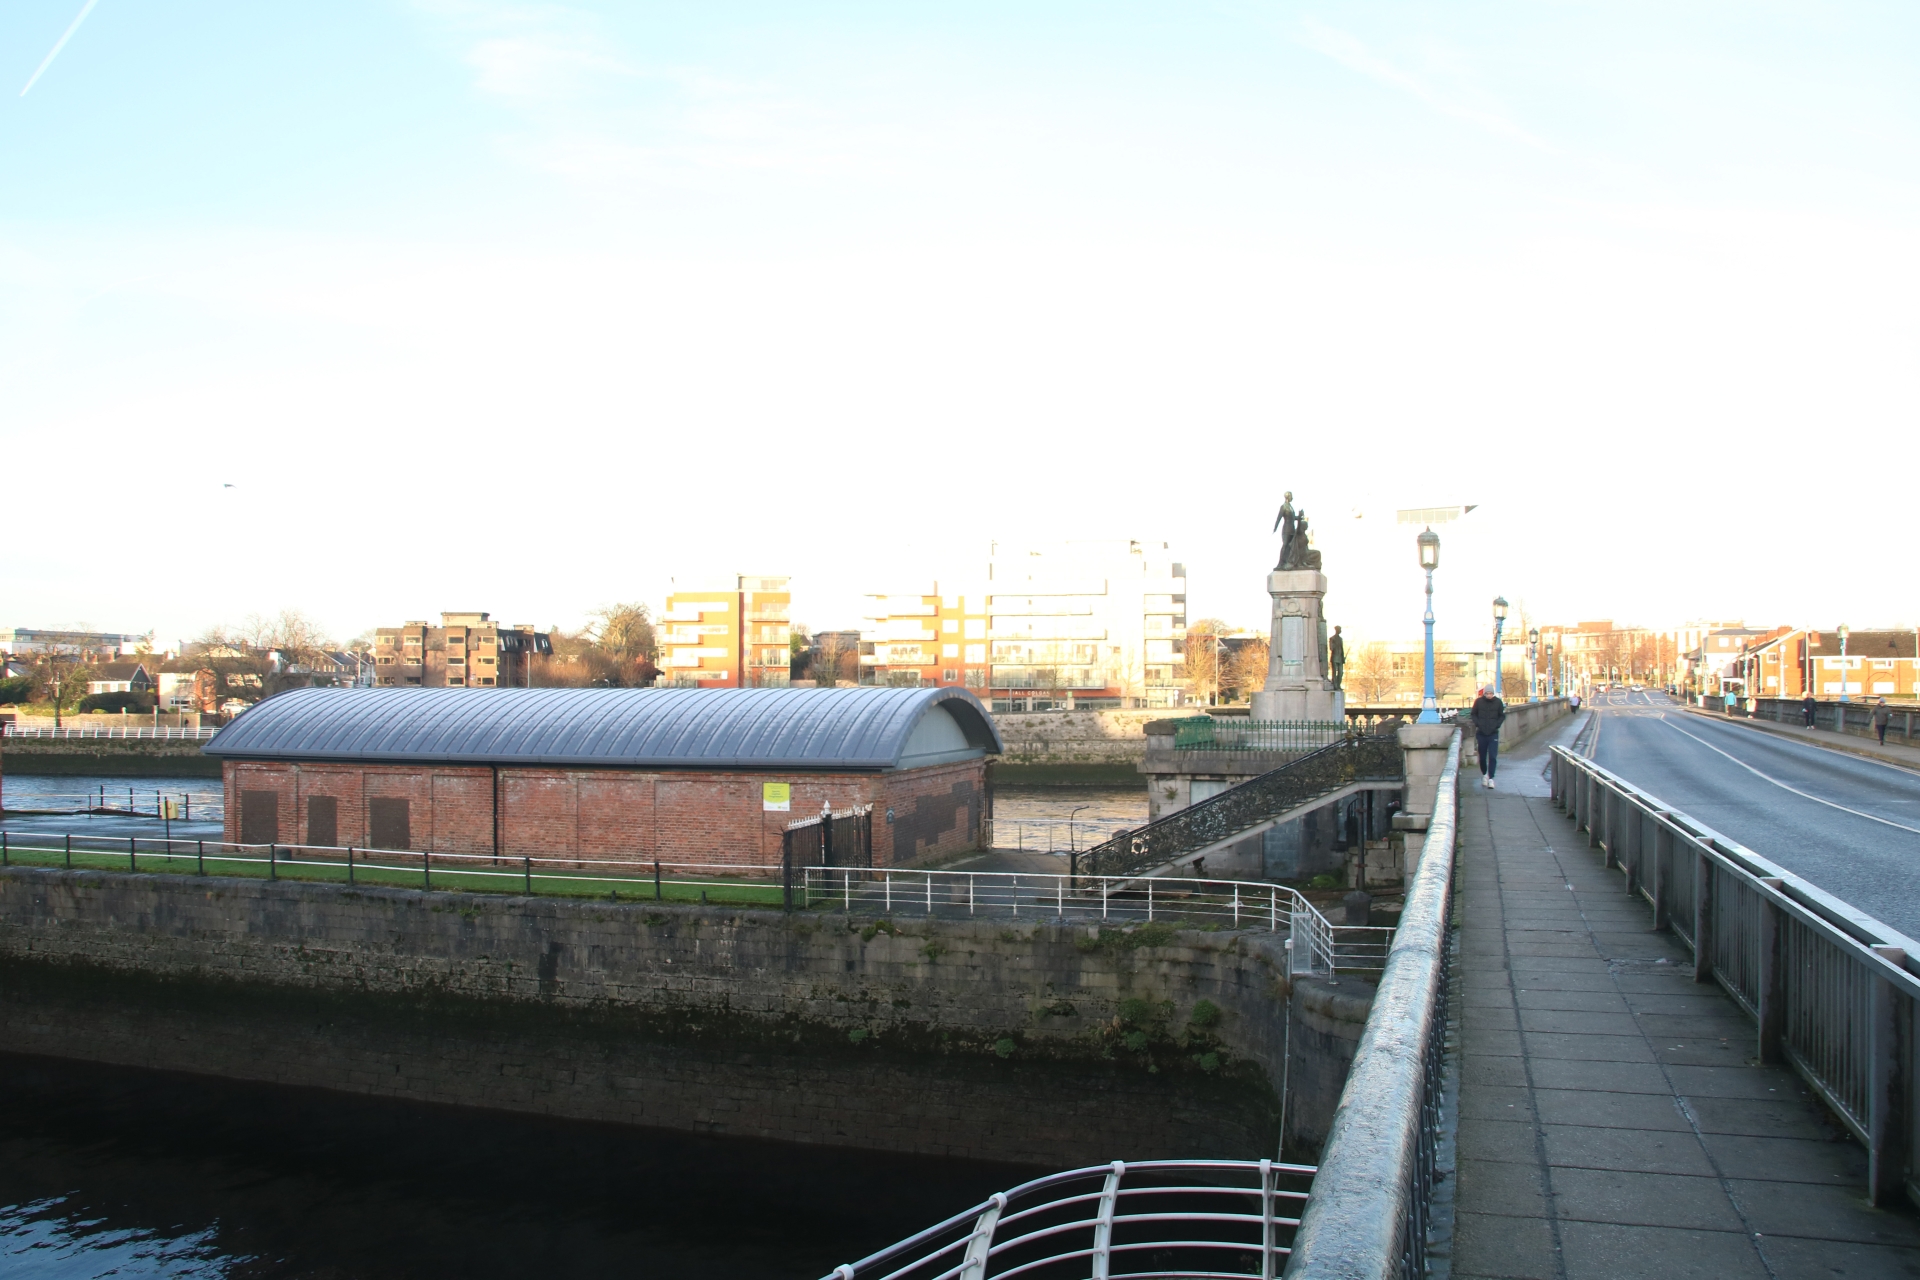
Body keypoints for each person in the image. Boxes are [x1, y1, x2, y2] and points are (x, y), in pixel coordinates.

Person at [1471, 684, 1506, 790]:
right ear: (1484, 693)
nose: (1489, 695)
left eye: (1491, 693)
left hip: (1493, 733)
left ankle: (1491, 778)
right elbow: (1473, 714)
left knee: (1492, 756)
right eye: (1487, 693)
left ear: (1493, 693)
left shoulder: (1498, 702)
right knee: (1482, 757)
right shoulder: (1478, 702)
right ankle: (1484, 774)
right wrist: (1478, 724)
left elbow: (1502, 715)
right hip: (1481, 733)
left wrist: (1497, 725)